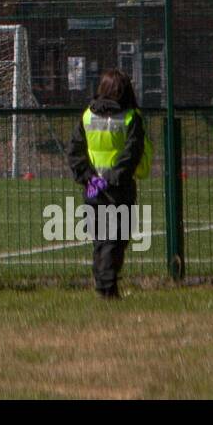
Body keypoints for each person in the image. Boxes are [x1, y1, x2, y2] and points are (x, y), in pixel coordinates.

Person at [66, 68, 147, 299]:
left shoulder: (87, 116)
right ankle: (107, 288)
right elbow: (132, 153)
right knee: (116, 239)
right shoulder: (131, 118)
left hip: (93, 189)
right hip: (119, 188)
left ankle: (104, 285)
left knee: (102, 240)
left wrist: (90, 179)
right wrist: (111, 179)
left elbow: (74, 152)